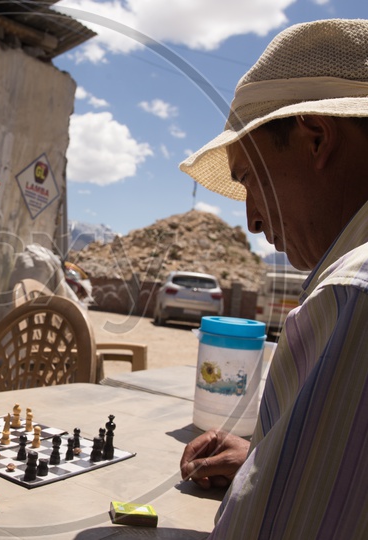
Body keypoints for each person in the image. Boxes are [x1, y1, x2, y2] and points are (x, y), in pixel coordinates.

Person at [178, 19, 368, 538]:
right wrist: (277, 461)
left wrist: (272, 494)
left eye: (248, 180)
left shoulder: (351, 294)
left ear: (316, 140)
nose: (253, 221)